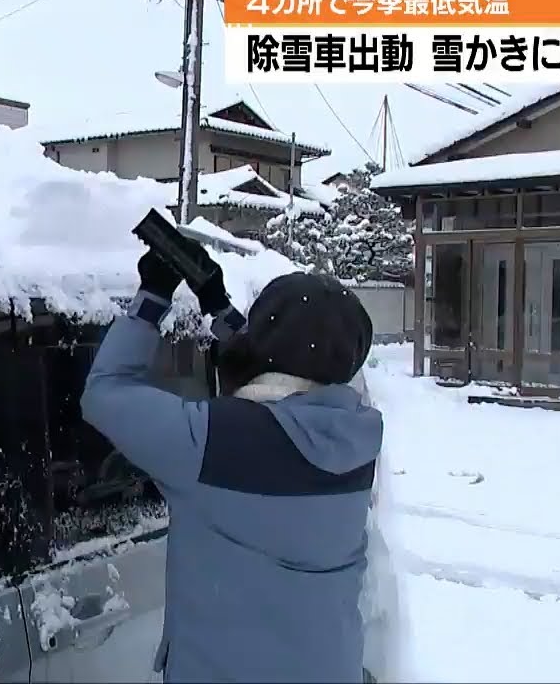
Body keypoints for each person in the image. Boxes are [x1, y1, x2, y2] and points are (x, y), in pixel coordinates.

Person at [80, 240, 383, 683]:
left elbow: (105, 392)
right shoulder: (358, 443)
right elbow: (282, 380)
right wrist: (218, 307)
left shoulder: (209, 443)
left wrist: (153, 298)